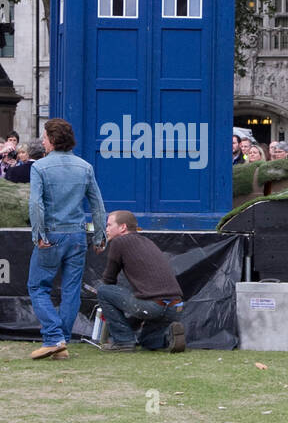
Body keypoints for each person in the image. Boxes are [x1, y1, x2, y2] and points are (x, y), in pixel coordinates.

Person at [27, 118, 107, 360]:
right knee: (71, 290)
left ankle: (53, 338)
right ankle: (61, 342)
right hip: (77, 235)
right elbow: (98, 205)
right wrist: (100, 235)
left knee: (38, 287)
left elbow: (36, 205)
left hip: (51, 233)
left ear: (52, 140)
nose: (42, 142)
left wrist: (38, 233)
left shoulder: (39, 167)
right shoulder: (84, 167)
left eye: (44, 138)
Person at [95, 210, 186, 353]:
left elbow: (109, 280)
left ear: (122, 227)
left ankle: (123, 341)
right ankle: (167, 337)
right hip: (176, 306)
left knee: (103, 291)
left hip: (153, 306)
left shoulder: (119, 242)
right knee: (148, 342)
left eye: (109, 225)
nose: (106, 229)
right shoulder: (147, 241)